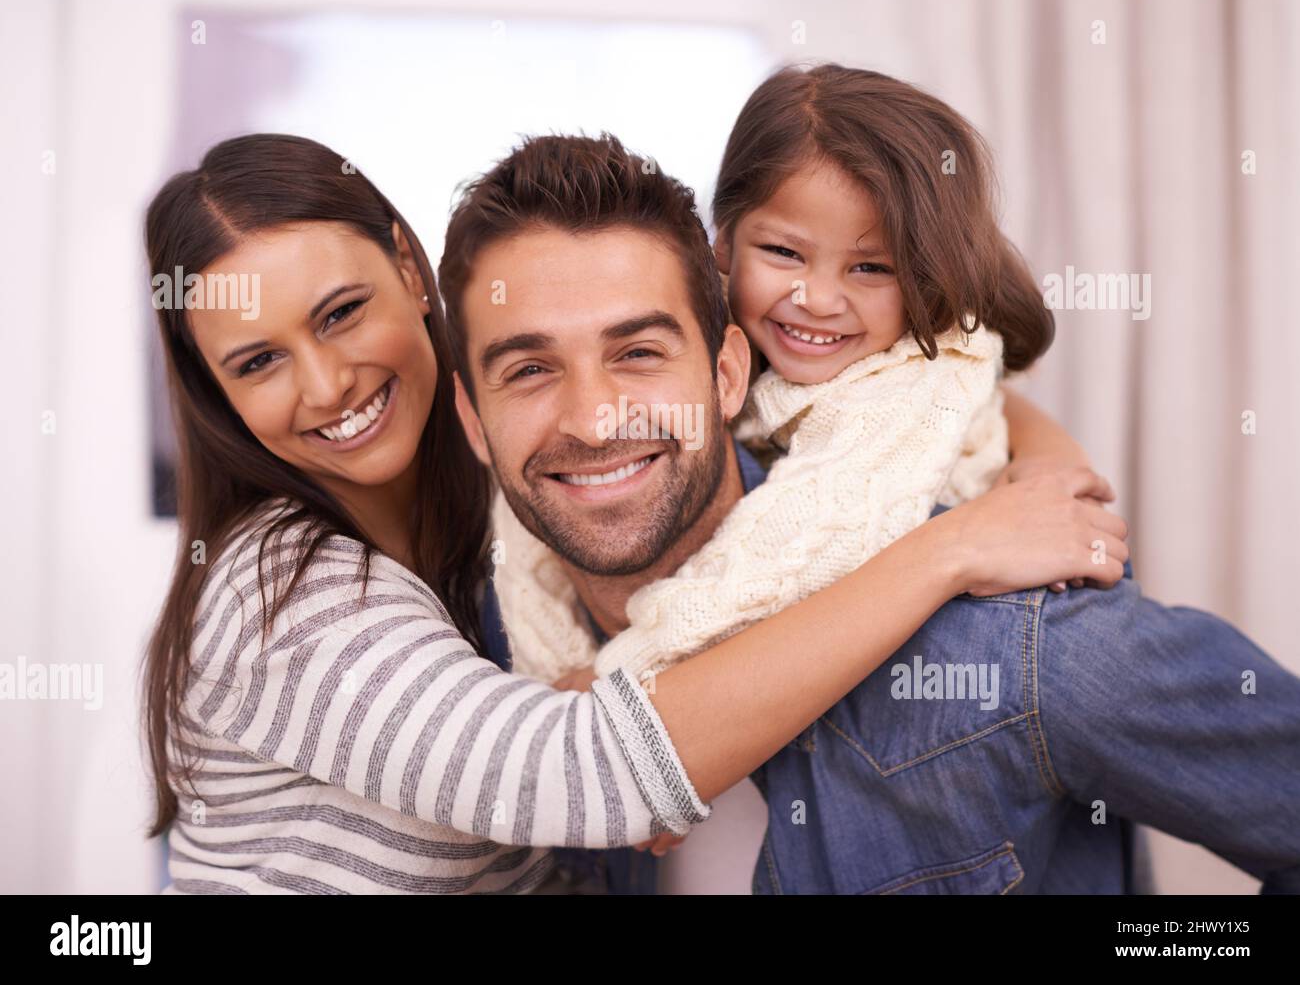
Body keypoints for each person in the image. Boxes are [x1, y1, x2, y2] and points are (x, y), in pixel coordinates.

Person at [140, 132, 1114, 894]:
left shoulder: (518, 480)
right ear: (218, 395)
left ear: (406, 266)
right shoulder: (280, 591)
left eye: (339, 312)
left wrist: (1042, 473)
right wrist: (945, 551)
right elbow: (580, 774)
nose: (324, 385)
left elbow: (881, 392)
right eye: (256, 362)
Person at [446, 116, 1300, 894]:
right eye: (529, 369)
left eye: (637, 351)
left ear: (727, 372)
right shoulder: (492, 657)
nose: (596, 418)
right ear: (473, 423)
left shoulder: (1014, 644)